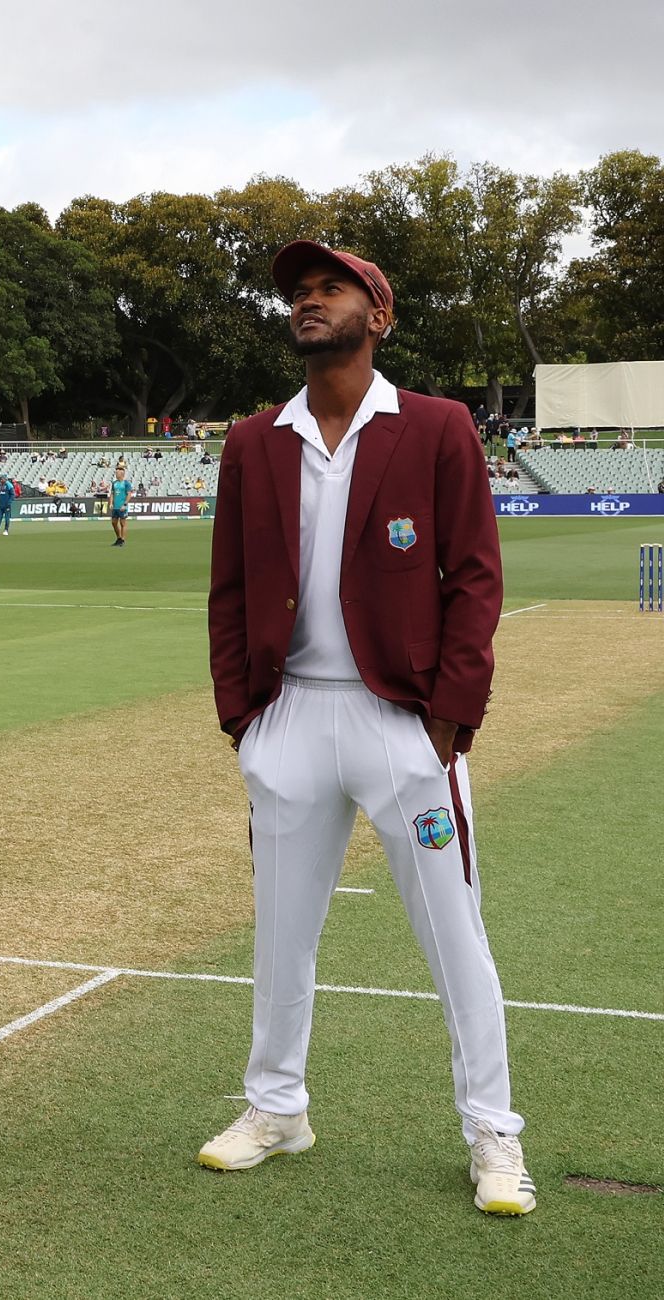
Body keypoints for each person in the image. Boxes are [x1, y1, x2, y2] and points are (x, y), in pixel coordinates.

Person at [204, 240, 534, 1216]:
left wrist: (448, 722)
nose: (310, 301)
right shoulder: (255, 440)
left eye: (330, 288)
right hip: (289, 721)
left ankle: (493, 1132)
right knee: (282, 933)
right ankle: (275, 1106)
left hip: (405, 726)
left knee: (454, 937)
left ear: (377, 315)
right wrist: (244, 722)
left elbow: (476, 578)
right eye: (299, 293)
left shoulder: (434, 427)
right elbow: (228, 590)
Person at [108, 465, 133, 547]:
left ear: (122, 474)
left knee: (123, 523)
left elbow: (129, 494)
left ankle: (122, 539)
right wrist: (111, 503)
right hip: (115, 506)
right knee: (114, 522)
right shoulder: (114, 483)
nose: (116, 474)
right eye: (116, 473)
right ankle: (118, 538)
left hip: (122, 506)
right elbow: (112, 494)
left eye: (117, 473)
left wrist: (125, 504)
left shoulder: (126, 483)